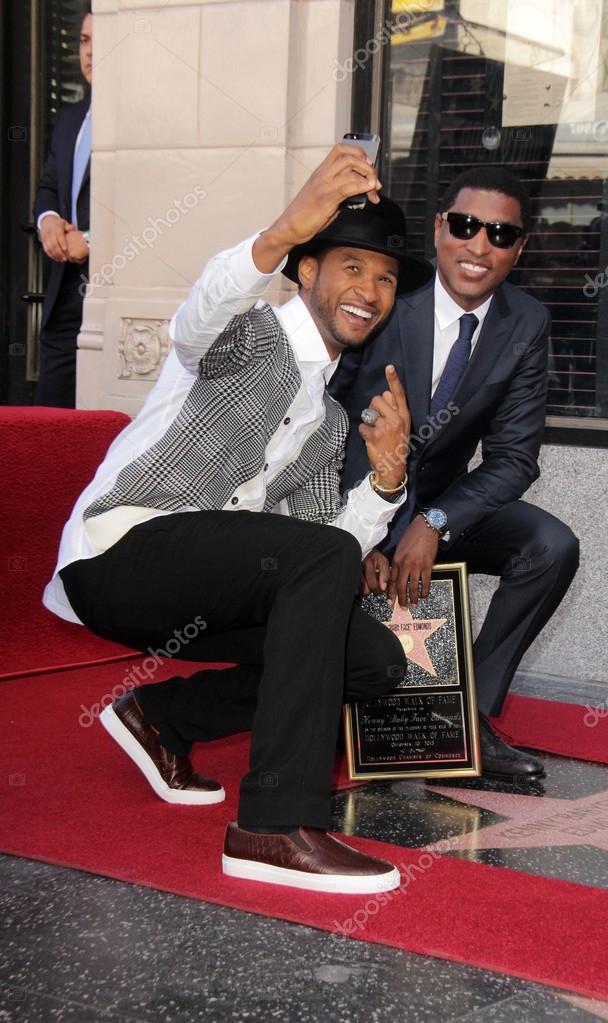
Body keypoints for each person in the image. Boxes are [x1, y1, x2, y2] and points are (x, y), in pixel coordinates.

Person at [43, 145, 434, 894]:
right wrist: (282, 230)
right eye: (352, 266)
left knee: (372, 658)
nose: (372, 289)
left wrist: (385, 483)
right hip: (121, 553)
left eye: (385, 278)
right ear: (308, 270)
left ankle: (163, 715)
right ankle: (274, 823)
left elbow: (327, 557)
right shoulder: (247, 333)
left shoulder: (326, 422)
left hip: (205, 586)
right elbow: (194, 322)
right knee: (314, 562)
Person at [330, 166, 579, 782]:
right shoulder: (386, 297)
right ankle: (341, 700)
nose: (479, 246)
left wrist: (433, 521)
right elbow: (325, 422)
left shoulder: (525, 322)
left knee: (549, 547)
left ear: (518, 248)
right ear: (440, 228)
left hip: (441, 503)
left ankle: (465, 717)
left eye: (500, 234)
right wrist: (363, 530)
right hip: (348, 496)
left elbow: (515, 457)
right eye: (466, 226)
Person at [34, 8, 92, 407]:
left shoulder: (141, 123)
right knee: (50, 420)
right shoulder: (70, 116)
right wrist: (48, 219)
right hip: (65, 287)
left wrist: (93, 239)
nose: (89, 52)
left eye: (101, 42)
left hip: (114, 279)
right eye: (84, 41)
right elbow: (49, 186)